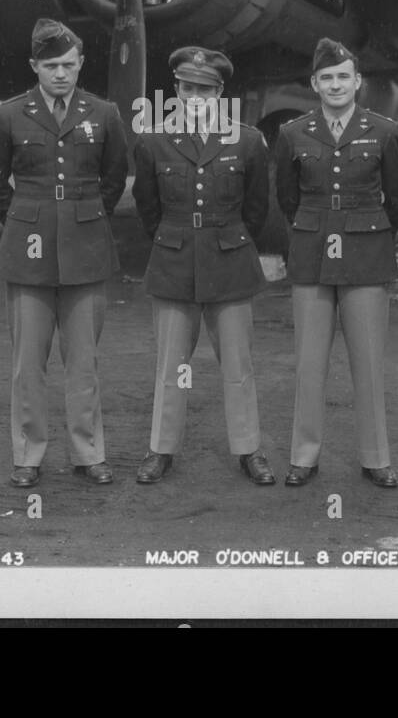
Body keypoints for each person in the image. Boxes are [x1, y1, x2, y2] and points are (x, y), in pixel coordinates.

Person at [0, 19, 129, 488]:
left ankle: (89, 453)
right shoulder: (9, 115)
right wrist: (25, 218)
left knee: (83, 361)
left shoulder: (104, 113)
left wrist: (84, 218)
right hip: (29, 251)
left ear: (81, 63)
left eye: (68, 64)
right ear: (34, 67)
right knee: (28, 363)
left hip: (86, 251)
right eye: (51, 66)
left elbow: (114, 177)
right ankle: (28, 454)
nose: (60, 74)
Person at [131, 47, 276, 486]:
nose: (195, 97)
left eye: (205, 90)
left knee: (238, 364)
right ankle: (161, 449)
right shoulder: (153, 141)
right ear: (175, 90)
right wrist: (177, 236)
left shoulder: (247, 141)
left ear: (219, 92)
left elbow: (255, 209)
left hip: (230, 258)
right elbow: (147, 207)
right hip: (174, 260)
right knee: (172, 365)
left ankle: (249, 449)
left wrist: (224, 236)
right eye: (187, 88)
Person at [274, 38, 398, 488]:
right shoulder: (293, 133)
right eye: (327, 78)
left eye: (343, 77)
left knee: (368, 363)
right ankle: (303, 455)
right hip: (312, 254)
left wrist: (365, 228)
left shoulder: (386, 131)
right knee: (309, 363)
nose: (336, 85)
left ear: (358, 82)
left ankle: (376, 457)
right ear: (315, 83)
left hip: (366, 254)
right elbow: (288, 199)